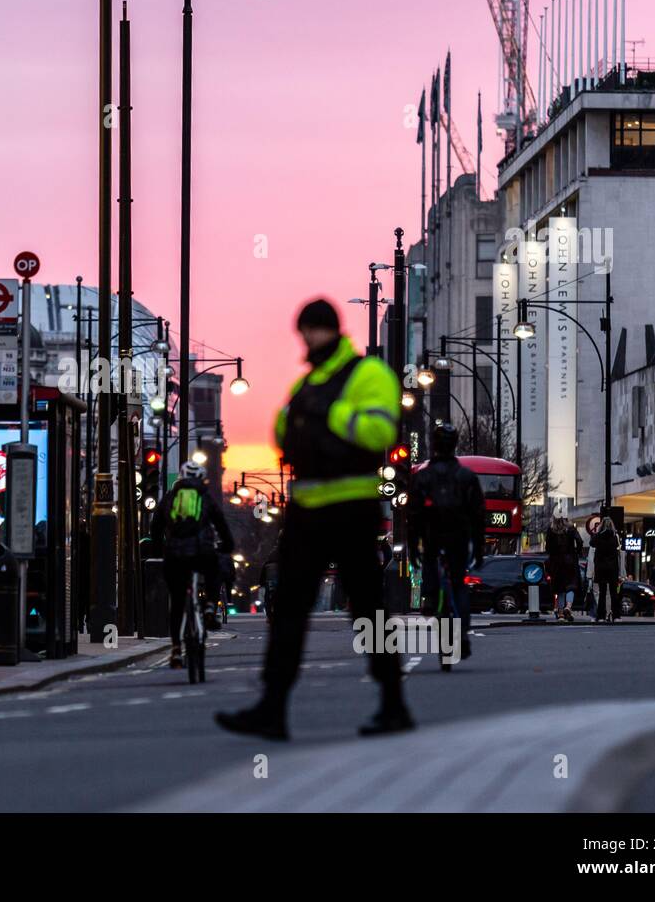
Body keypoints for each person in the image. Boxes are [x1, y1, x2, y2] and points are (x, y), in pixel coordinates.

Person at [216, 298, 411, 739]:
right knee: (288, 608)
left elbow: (381, 431)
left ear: (329, 331)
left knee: (367, 609)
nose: (306, 339)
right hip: (306, 508)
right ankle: (272, 708)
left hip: (352, 506)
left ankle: (393, 704)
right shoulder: (310, 381)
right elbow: (282, 429)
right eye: (302, 331)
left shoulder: (368, 374)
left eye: (312, 331)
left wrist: (331, 414)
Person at [408, 422, 484, 665]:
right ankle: (461, 634)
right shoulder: (467, 476)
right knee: (459, 585)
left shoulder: (423, 477)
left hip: (432, 538)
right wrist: (479, 548)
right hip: (458, 539)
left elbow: (413, 516)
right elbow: (478, 516)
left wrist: (412, 548)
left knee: (431, 570)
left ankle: (430, 600)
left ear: (434, 444)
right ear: (455, 445)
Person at [150, 459, 234, 665]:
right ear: (201, 479)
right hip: (202, 552)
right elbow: (220, 523)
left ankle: (177, 649)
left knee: (177, 602)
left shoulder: (170, 498)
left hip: (174, 555)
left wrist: (158, 550)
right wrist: (227, 545)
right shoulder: (205, 498)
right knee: (214, 571)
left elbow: (156, 526)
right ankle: (210, 607)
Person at [545, 515, 582, 622]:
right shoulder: (571, 529)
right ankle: (568, 607)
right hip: (570, 561)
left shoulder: (551, 530)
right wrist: (577, 552)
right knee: (571, 586)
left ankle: (561, 614)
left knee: (559, 588)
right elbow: (579, 541)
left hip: (556, 562)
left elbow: (548, 548)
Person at [592, 516, 622, 623]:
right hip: (612, 568)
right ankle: (616, 616)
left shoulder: (598, 536)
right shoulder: (615, 536)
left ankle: (601, 616)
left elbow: (592, 543)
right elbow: (618, 553)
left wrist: (596, 532)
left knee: (602, 593)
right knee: (614, 593)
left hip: (601, 568)